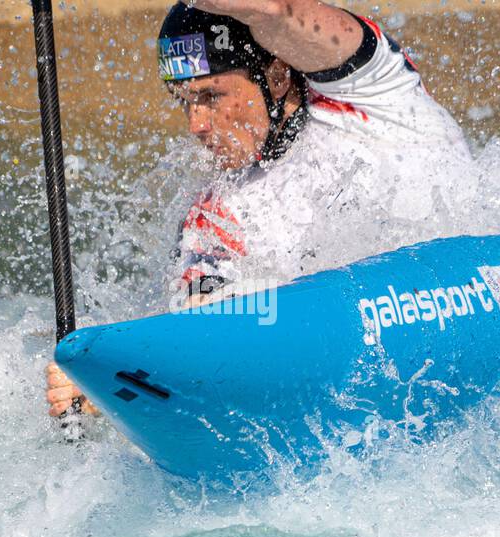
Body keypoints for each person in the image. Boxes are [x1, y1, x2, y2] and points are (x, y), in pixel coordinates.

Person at [47, 0, 475, 418]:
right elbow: (207, 330)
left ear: (276, 76)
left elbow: (275, 11)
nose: (195, 124)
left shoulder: (372, 89)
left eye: (211, 96)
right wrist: (108, 389)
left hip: (477, 298)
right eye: (184, 101)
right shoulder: (214, 215)